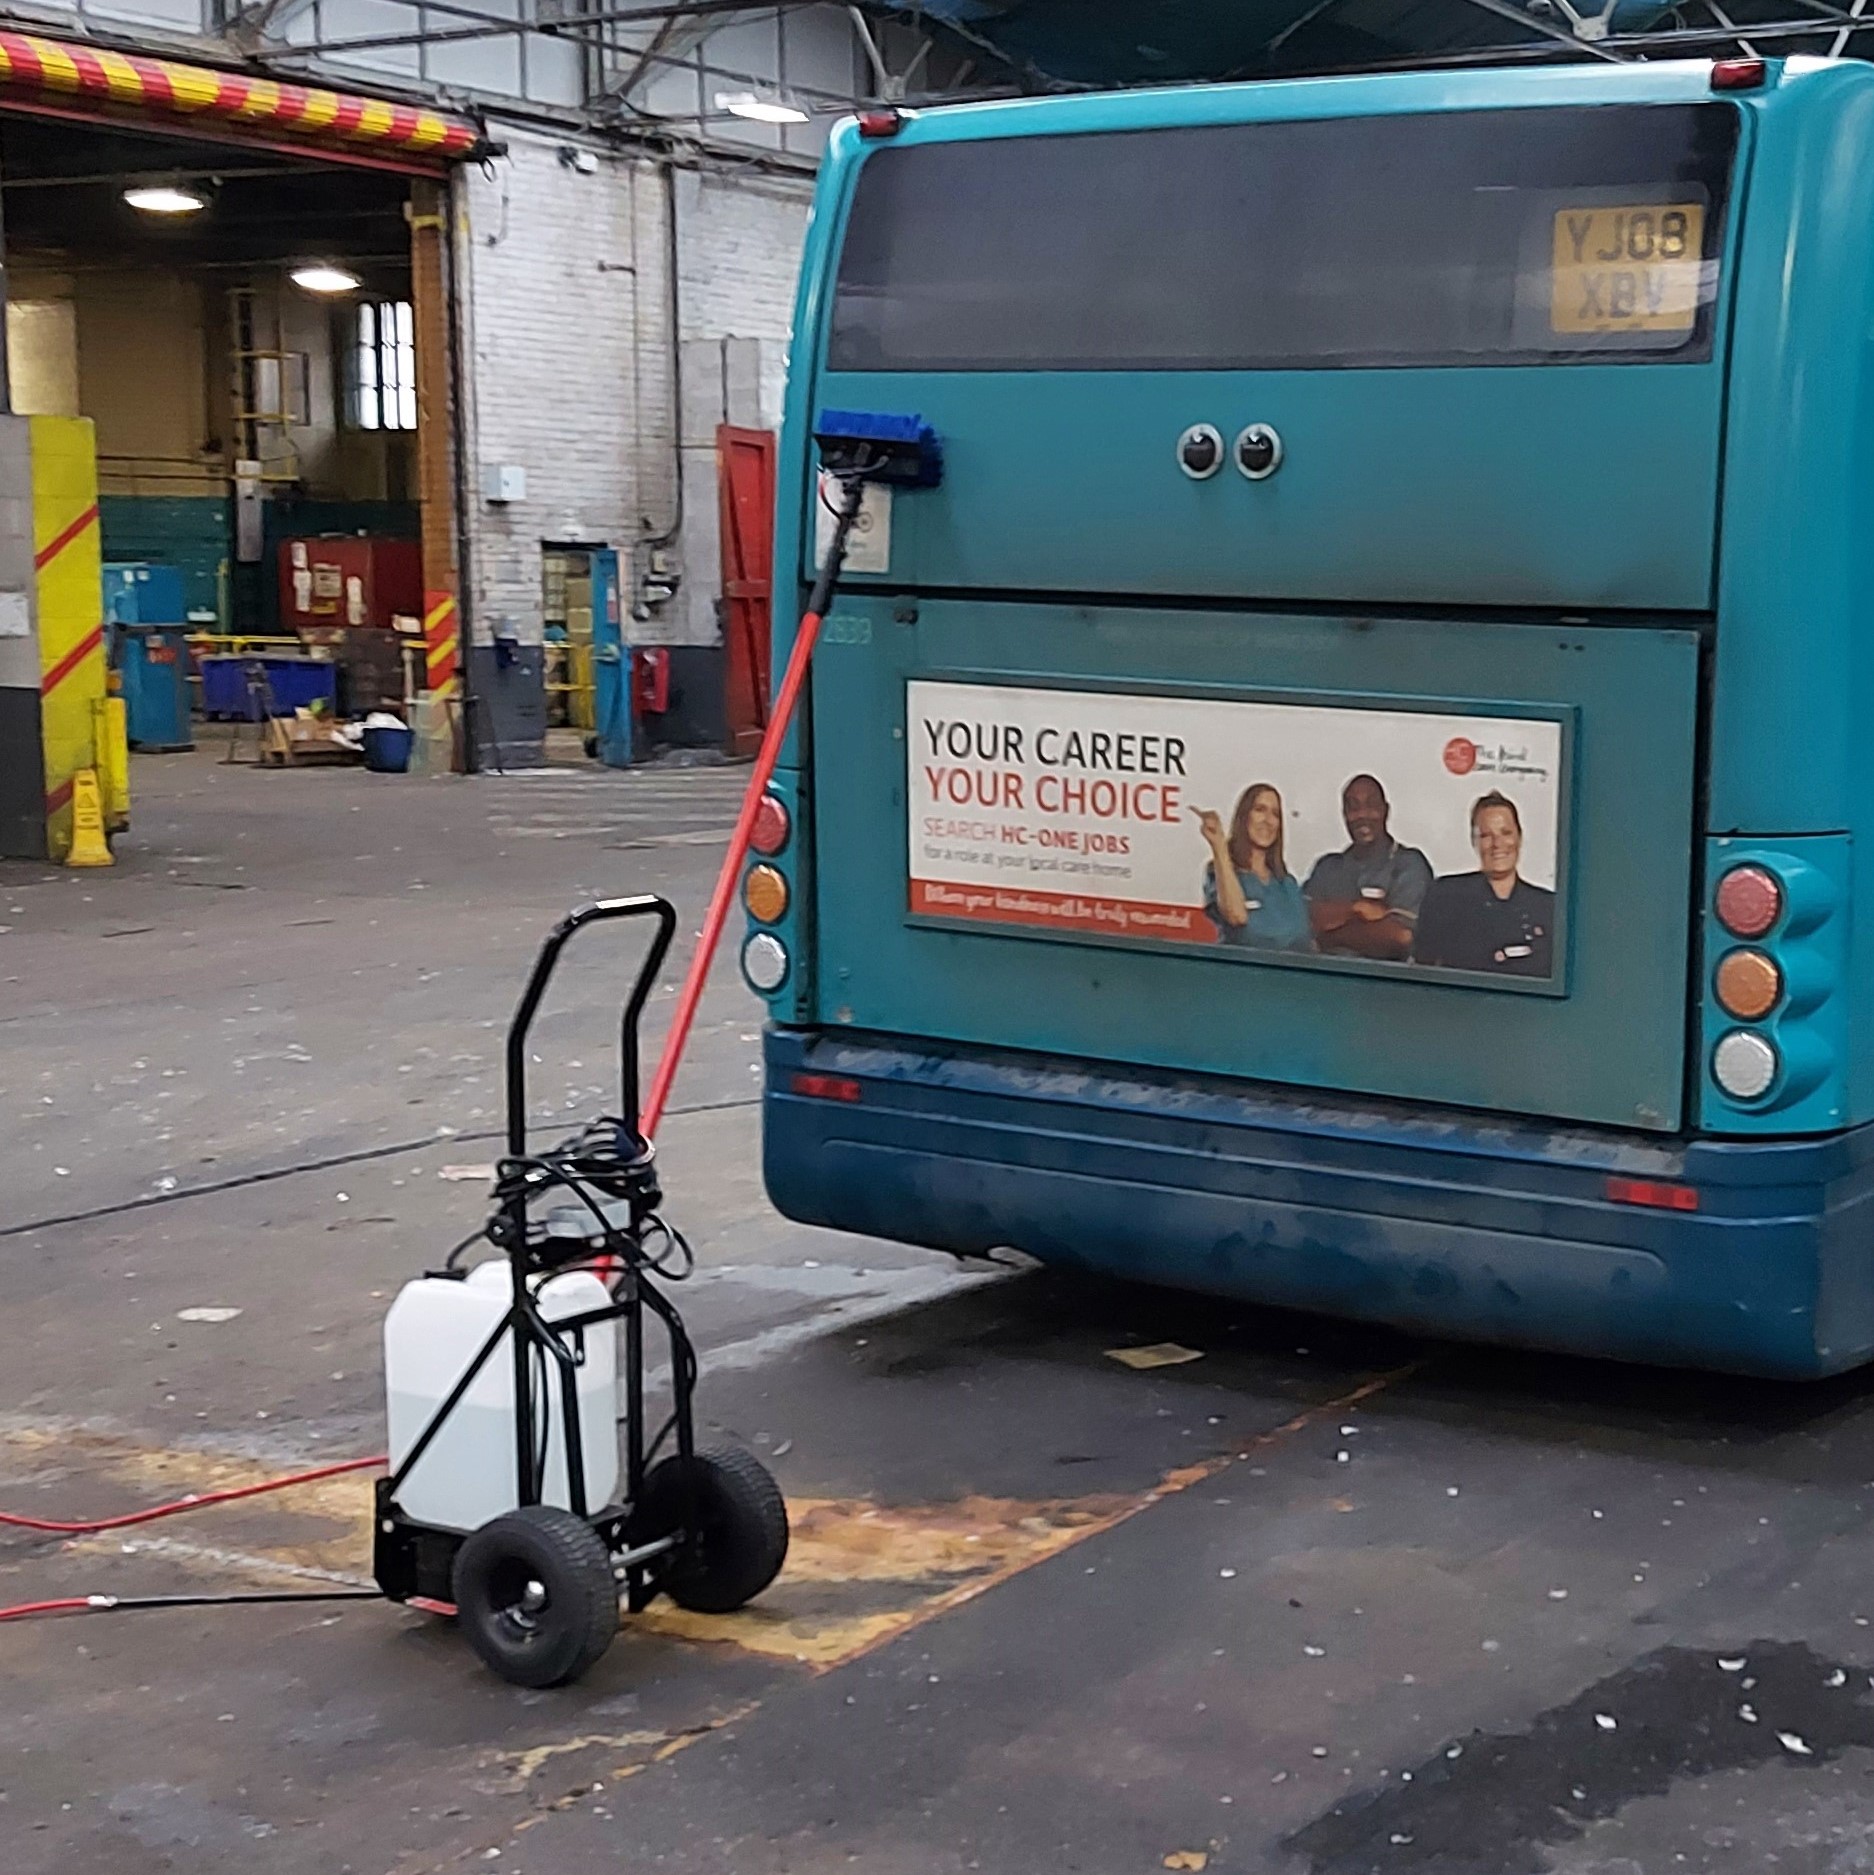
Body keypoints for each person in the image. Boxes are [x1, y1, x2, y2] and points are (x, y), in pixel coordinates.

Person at [1413, 791, 1554, 976]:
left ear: (1519, 837)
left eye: (1506, 833)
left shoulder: (1548, 906)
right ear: (1474, 841)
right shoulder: (1446, 896)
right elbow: (1423, 965)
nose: (1497, 844)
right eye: (1486, 835)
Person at [1303, 774, 1432, 961]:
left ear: (1386, 810)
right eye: (1353, 807)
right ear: (1344, 815)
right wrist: (1355, 909)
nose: (1362, 815)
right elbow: (1304, 922)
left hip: (1386, 984)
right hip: (1328, 982)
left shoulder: (1409, 863)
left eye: (1371, 805)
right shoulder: (1327, 867)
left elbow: (1400, 938)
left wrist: (1331, 936)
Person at [1192, 784, 1311, 952]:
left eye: (1275, 814)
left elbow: (1304, 937)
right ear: (1244, 816)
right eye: (1260, 809)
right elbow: (1236, 916)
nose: (1268, 820)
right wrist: (1219, 845)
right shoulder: (1220, 871)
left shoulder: (1286, 882)